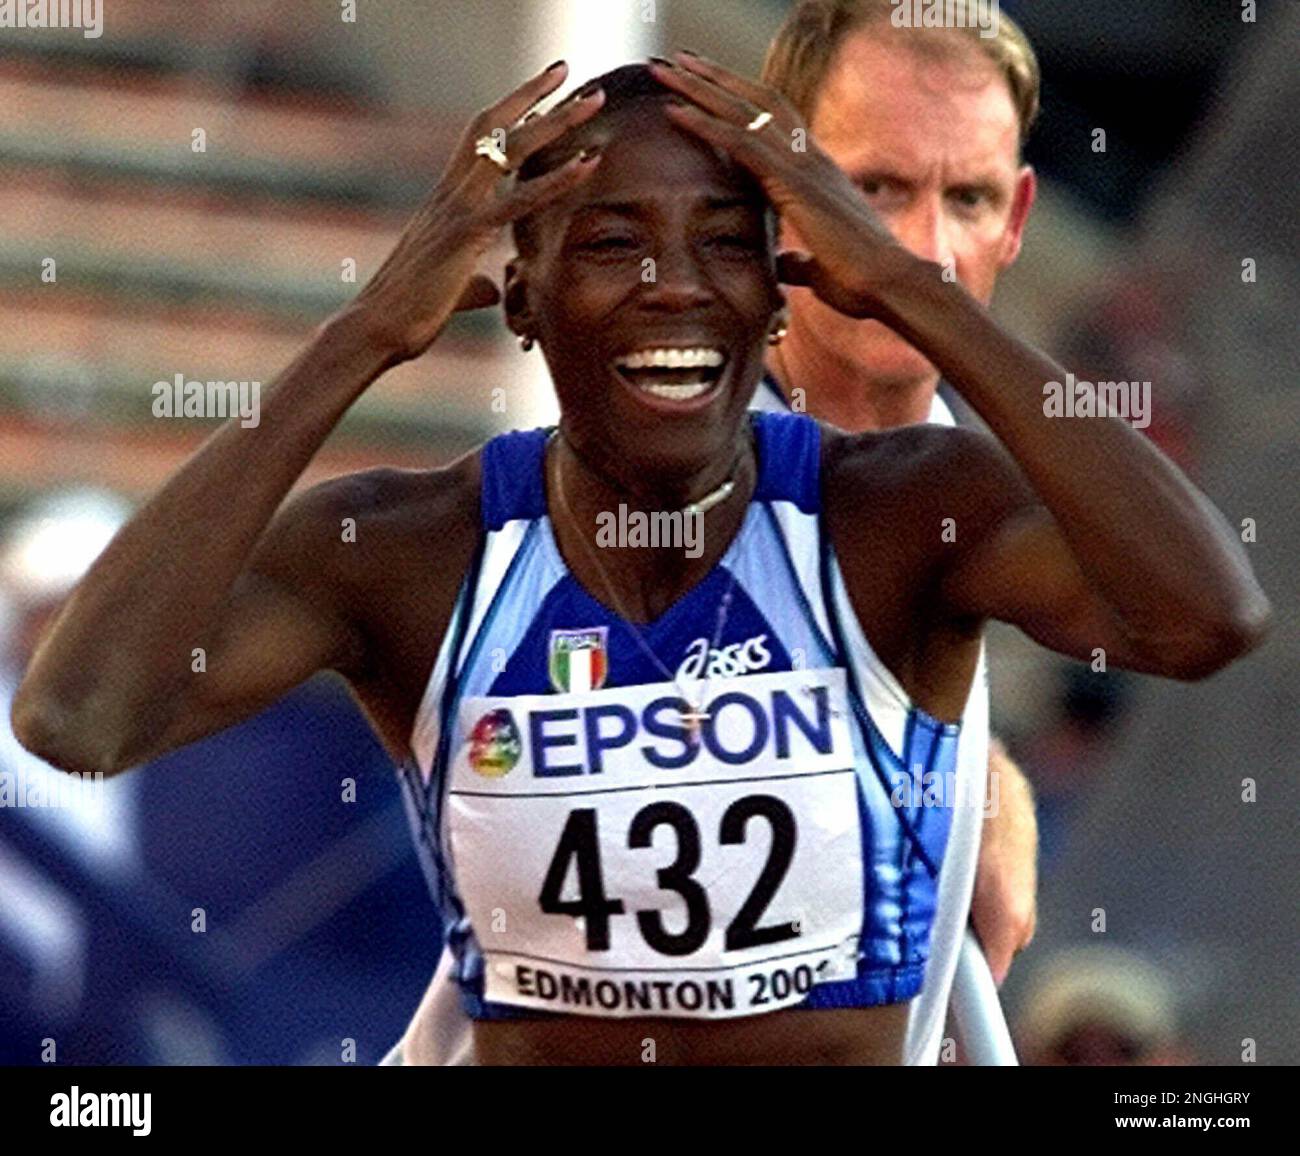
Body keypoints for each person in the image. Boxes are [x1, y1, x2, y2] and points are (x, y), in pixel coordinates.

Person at [12, 60, 1268, 1066]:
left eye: (723, 243)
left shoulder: (895, 519)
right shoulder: (409, 552)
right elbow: (77, 716)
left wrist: (903, 285)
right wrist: (359, 336)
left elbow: (1204, 616)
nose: (675, 286)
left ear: (779, 293)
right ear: (521, 298)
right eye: (612, 243)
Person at [396, 5, 1046, 1067]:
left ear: (1016, 215)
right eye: (874, 188)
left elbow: (1206, 617)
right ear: (777, 189)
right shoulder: (668, 454)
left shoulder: (963, 482)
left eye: (966, 197)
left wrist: (987, 769)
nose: (923, 251)